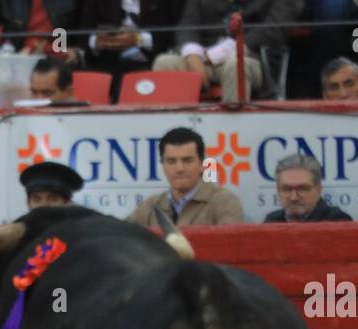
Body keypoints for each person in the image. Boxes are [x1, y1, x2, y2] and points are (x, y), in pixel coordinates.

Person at [151, 0, 301, 102]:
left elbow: (275, 29)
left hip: (251, 57)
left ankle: (235, 132)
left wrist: (217, 54)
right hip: (203, 59)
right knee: (165, 62)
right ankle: (173, 132)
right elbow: (187, 24)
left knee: (235, 66)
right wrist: (192, 55)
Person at [127, 126, 244, 225]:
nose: (179, 169)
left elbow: (229, 248)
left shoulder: (224, 202)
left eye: (187, 160)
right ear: (163, 165)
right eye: (171, 161)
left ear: (203, 164)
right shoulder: (151, 206)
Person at [71, 0, 183, 101]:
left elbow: (172, 33)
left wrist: (138, 39)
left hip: (148, 61)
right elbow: (82, 35)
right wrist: (97, 41)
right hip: (106, 61)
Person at [0, 0, 79, 57]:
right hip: (18, 66)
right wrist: (3, 54)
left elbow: (88, 36)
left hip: (59, 62)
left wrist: (76, 51)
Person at [263, 153, 353, 222]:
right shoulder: (272, 221)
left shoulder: (337, 222)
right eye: (286, 189)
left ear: (318, 189)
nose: (294, 197)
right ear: (278, 190)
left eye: (302, 189)